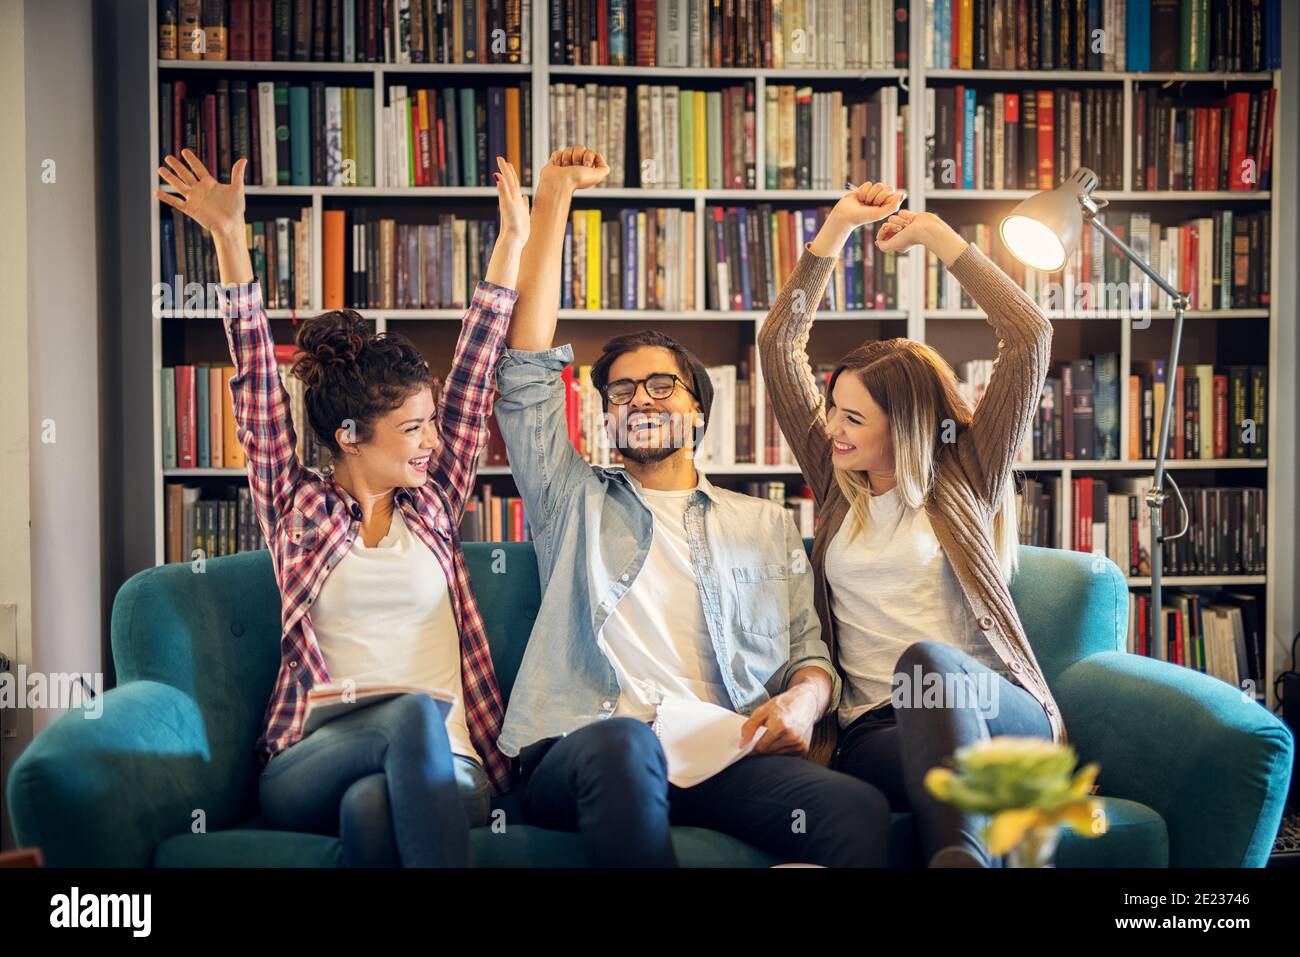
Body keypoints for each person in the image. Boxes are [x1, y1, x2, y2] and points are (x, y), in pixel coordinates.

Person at [491, 146, 891, 867]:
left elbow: (810, 651)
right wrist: (553, 201)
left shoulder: (766, 525)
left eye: (662, 386)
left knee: (853, 809)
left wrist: (803, 701)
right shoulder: (568, 499)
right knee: (623, 743)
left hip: (720, 748)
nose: (640, 397)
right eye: (620, 390)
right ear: (606, 418)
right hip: (589, 745)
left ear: (699, 413)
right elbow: (524, 371)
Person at [155, 148, 527, 866]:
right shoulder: (299, 513)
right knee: (408, 717)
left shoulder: (436, 504)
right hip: (312, 758)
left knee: (372, 804)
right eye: (413, 428)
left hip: (454, 766)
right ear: (350, 438)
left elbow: (477, 376)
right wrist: (231, 239)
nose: (435, 440)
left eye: (431, 422)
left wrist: (511, 244)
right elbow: (259, 388)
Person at [757, 184, 1064, 868]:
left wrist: (937, 237)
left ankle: (961, 853)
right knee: (907, 702)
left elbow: (1029, 335)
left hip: (995, 709)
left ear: (909, 426)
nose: (831, 428)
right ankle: (971, 848)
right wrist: (834, 228)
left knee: (924, 663)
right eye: (832, 408)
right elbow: (780, 342)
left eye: (853, 418)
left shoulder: (968, 471)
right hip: (876, 730)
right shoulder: (839, 481)